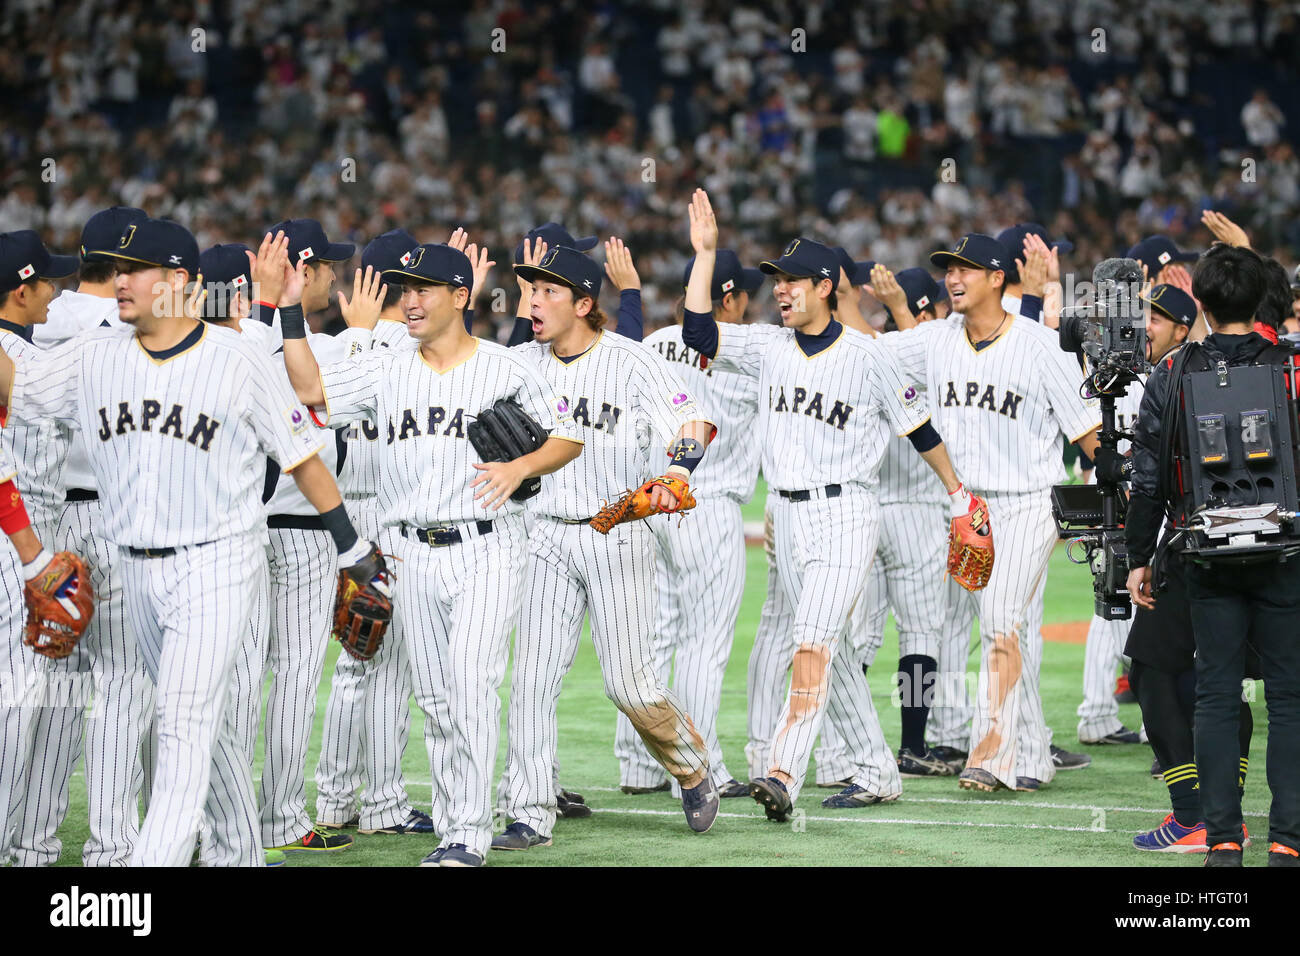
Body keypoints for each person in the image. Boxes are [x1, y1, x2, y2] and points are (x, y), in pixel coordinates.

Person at [0, 217, 386, 867]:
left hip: (217, 567)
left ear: (178, 281)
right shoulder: (94, 355)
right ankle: (239, 856)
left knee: (179, 723)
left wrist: (352, 549)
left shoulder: (235, 359)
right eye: (117, 270)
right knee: (212, 735)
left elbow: (303, 455)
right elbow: (17, 386)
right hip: (129, 570)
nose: (118, 281)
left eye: (135, 270)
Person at [280, 240, 583, 867]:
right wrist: (286, 309)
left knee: (471, 686)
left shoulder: (509, 366)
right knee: (439, 699)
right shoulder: (386, 365)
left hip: (487, 547)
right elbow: (309, 387)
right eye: (403, 290)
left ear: (459, 296)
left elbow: (568, 437)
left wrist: (520, 465)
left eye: (422, 289)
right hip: (408, 551)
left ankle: (466, 835)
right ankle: (453, 825)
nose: (408, 300)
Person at [681, 190, 972, 817]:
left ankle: (784, 771)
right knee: (828, 650)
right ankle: (876, 769)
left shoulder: (869, 355)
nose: (780, 290)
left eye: (791, 281)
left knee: (811, 639)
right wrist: (704, 255)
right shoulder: (767, 346)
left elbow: (920, 429)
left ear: (824, 286)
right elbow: (698, 331)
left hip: (845, 513)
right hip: (784, 517)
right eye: (775, 281)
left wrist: (959, 495)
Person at [495, 240, 720, 851]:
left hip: (618, 535)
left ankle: (692, 768)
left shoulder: (631, 360)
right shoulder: (520, 363)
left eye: (547, 292)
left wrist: (678, 473)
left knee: (630, 685)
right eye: (530, 290)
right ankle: (530, 810)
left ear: (585, 303)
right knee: (532, 679)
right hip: (543, 535)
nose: (533, 301)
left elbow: (693, 421)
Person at [889, 233, 1101, 793]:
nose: (952, 279)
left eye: (966, 269)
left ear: (998, 279)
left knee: (1000, 620)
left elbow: (1088, 433)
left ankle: (992, 755)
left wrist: (1126, 493)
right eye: (948, 270)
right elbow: (862, 354)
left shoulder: (1039, 344)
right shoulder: (933, 340)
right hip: (969, 508)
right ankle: (1032, 755)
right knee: (1014, 632)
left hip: (1030, 503)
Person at [1126, 243, 1300, 867]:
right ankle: (1287, 842)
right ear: (1261, 300)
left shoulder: (1173, 373)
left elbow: (1146, 479)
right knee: (1288, 697)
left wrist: (1140, 556)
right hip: (1285, 552)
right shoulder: (1292, 367)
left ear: (1197, 302)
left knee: (1217, 696)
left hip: (1205, 555)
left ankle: (1223, 841)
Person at [13, 208, 154, 868]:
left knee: (58, 692)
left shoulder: (43, 317)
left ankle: (33, 845)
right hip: (118, 518)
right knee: (124, 684)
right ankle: (112, 849)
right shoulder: (139, 329)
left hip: (53, 519)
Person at [617, 247, 764, 799]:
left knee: (653, 638)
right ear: (727, 297)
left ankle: (637, 764)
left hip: (653, 504)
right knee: (703, 643)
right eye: (744, 293)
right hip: (708, 506)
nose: (749, 303)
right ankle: (698, 770)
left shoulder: (653, 345)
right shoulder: (742, 358)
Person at [0, 229, 80, 866]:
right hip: (13, 538)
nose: (58, 288)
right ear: (22, 289)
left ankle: (29, 846)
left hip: (31, 531)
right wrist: (32, 555)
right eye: (48, 279)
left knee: (38, 696)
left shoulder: (25, 352)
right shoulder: (4, 354)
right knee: (16, 698)